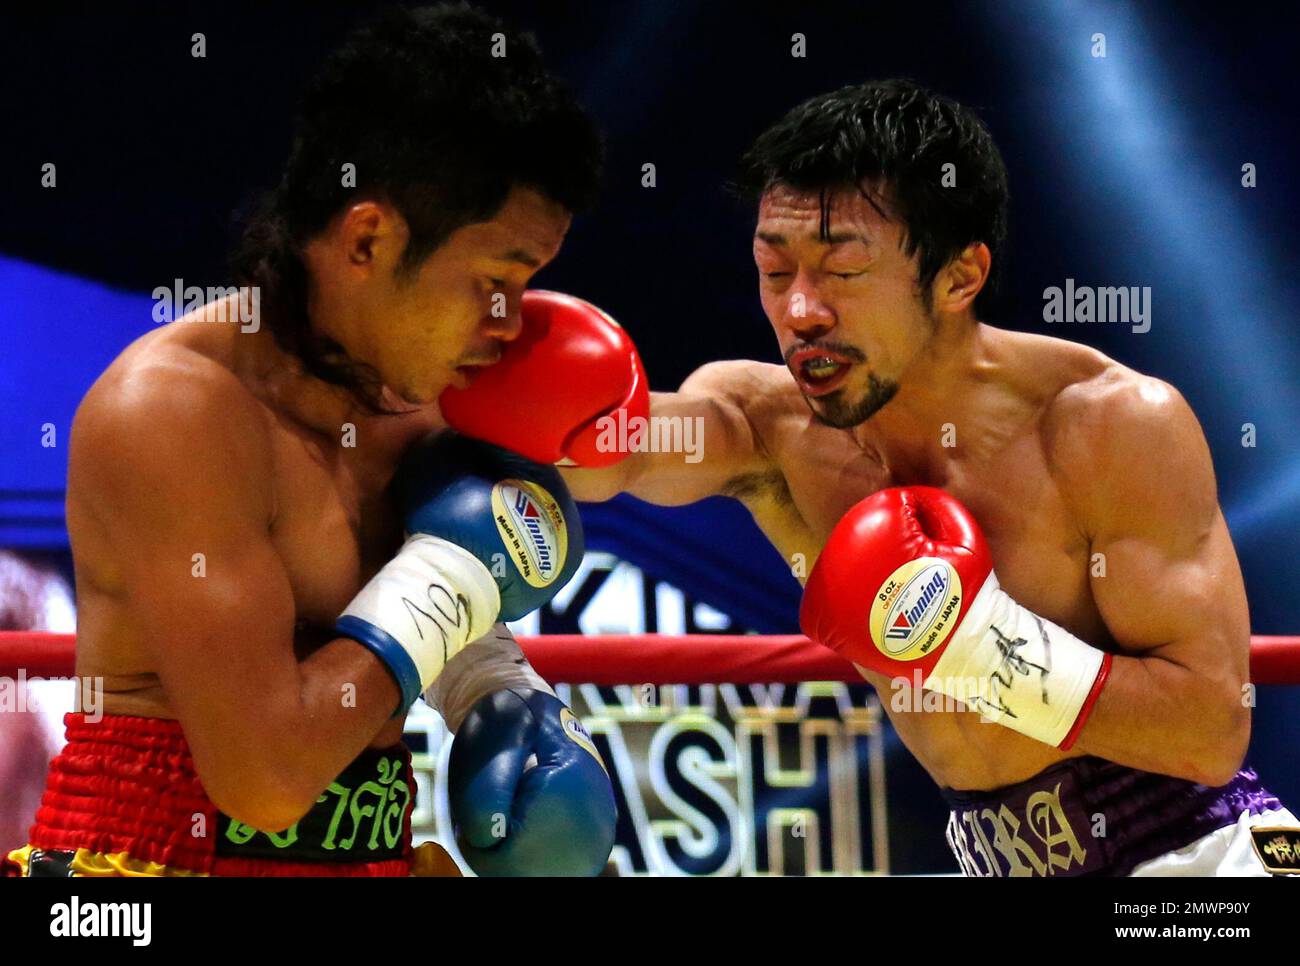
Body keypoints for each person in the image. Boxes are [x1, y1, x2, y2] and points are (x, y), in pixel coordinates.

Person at [465, 80, 1295, 876]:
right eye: (775, 269)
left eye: (842, 270)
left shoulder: (1109, 424)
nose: (801, 311)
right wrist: (507, 384)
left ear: (959, 277)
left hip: (1199, 862)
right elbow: (612, 456)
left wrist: (971, 643)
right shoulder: (769, 427)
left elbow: (1208, 730)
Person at [4, 4, 617, 878]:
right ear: (367, 237)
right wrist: (452, 578)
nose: (509, 324)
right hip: (146, 878)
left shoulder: (424, 407)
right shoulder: (174, 413)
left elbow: (423, 603)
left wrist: (498, 690)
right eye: (493, 282)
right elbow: (269, 776)